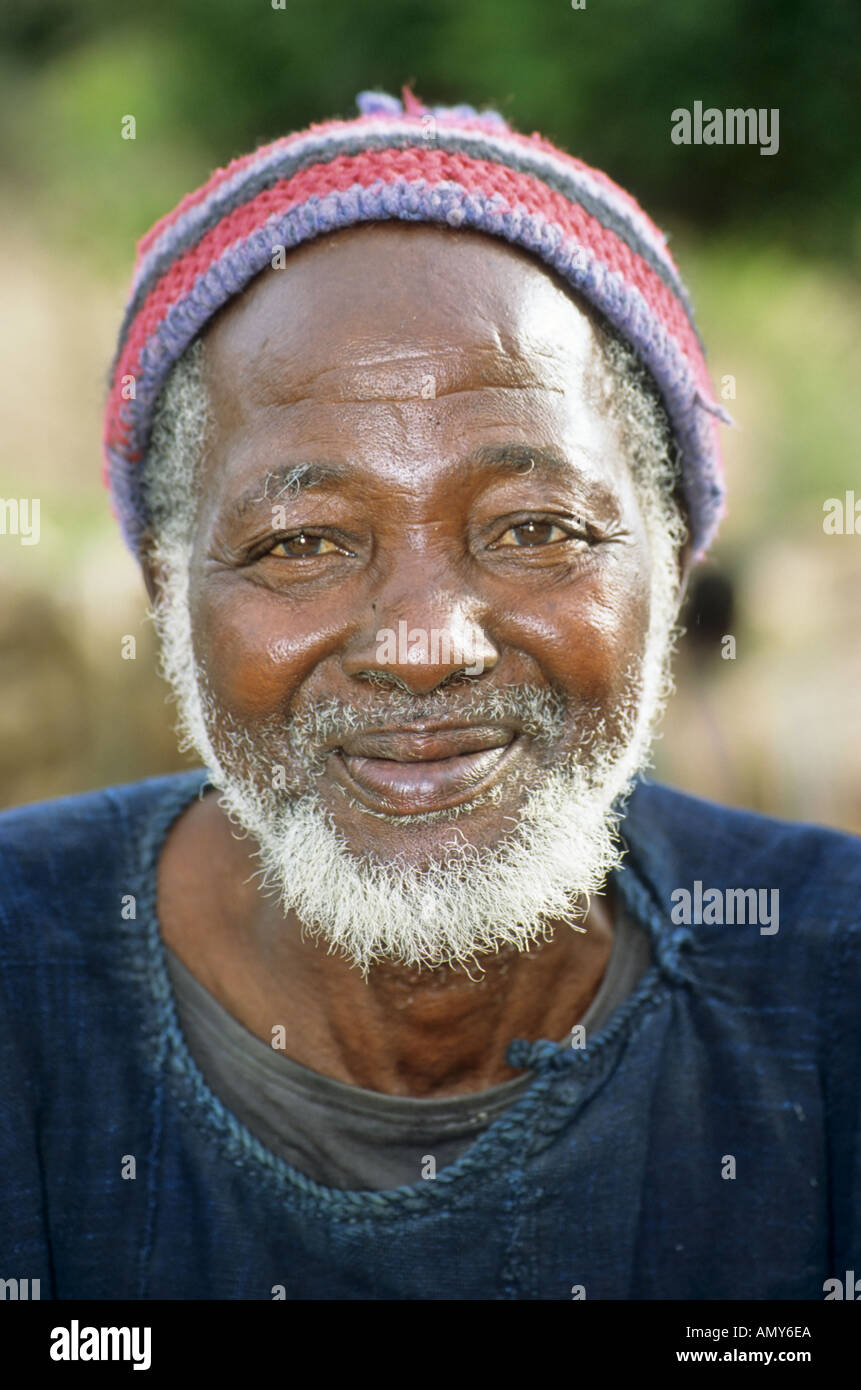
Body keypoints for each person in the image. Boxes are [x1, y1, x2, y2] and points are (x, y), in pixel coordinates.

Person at [1, 89, 858, 1301]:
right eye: (301, 543)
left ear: (673, 567)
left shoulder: (831, 987)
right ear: (164, 589)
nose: (421, 645)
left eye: (536, 528)